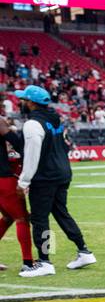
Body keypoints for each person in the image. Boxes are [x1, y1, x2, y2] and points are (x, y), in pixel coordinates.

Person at [11, 86, 95, 276]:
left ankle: (45, 262)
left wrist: (23, 182)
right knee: (61, 212)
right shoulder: (55, 117)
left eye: (24, 99)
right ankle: (84, 251)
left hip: (45, 177)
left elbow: (33, 156)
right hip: (63, 172)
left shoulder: (32, 124)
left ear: (32, 103)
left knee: (40, 218)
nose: (21, 102)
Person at [0, 113, 33, 272]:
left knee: (7, 218)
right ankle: (28, 263)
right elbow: (17, 142)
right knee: (21, 218)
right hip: (3, 179)